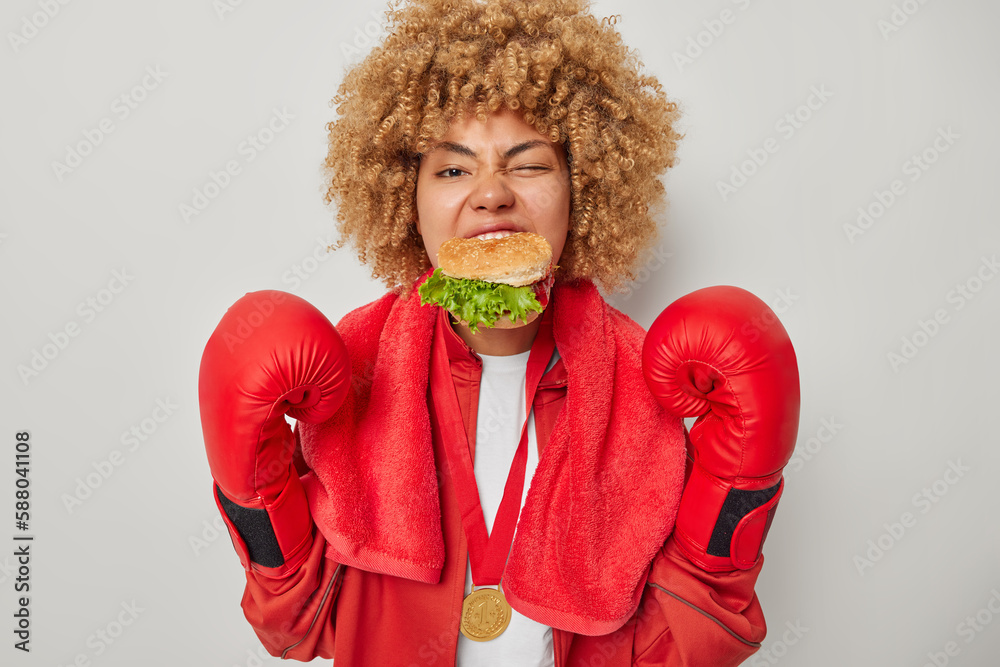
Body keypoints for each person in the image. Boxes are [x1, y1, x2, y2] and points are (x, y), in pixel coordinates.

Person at [197, 1, 801, 665]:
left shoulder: (646, 383)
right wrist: (248, 481)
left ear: (584, 191)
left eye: (530, 164)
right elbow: (294, 626)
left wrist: (733, 507)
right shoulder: (353, 369)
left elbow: (699, 638)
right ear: (407, 198)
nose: (491, 195)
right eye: (453, 169)